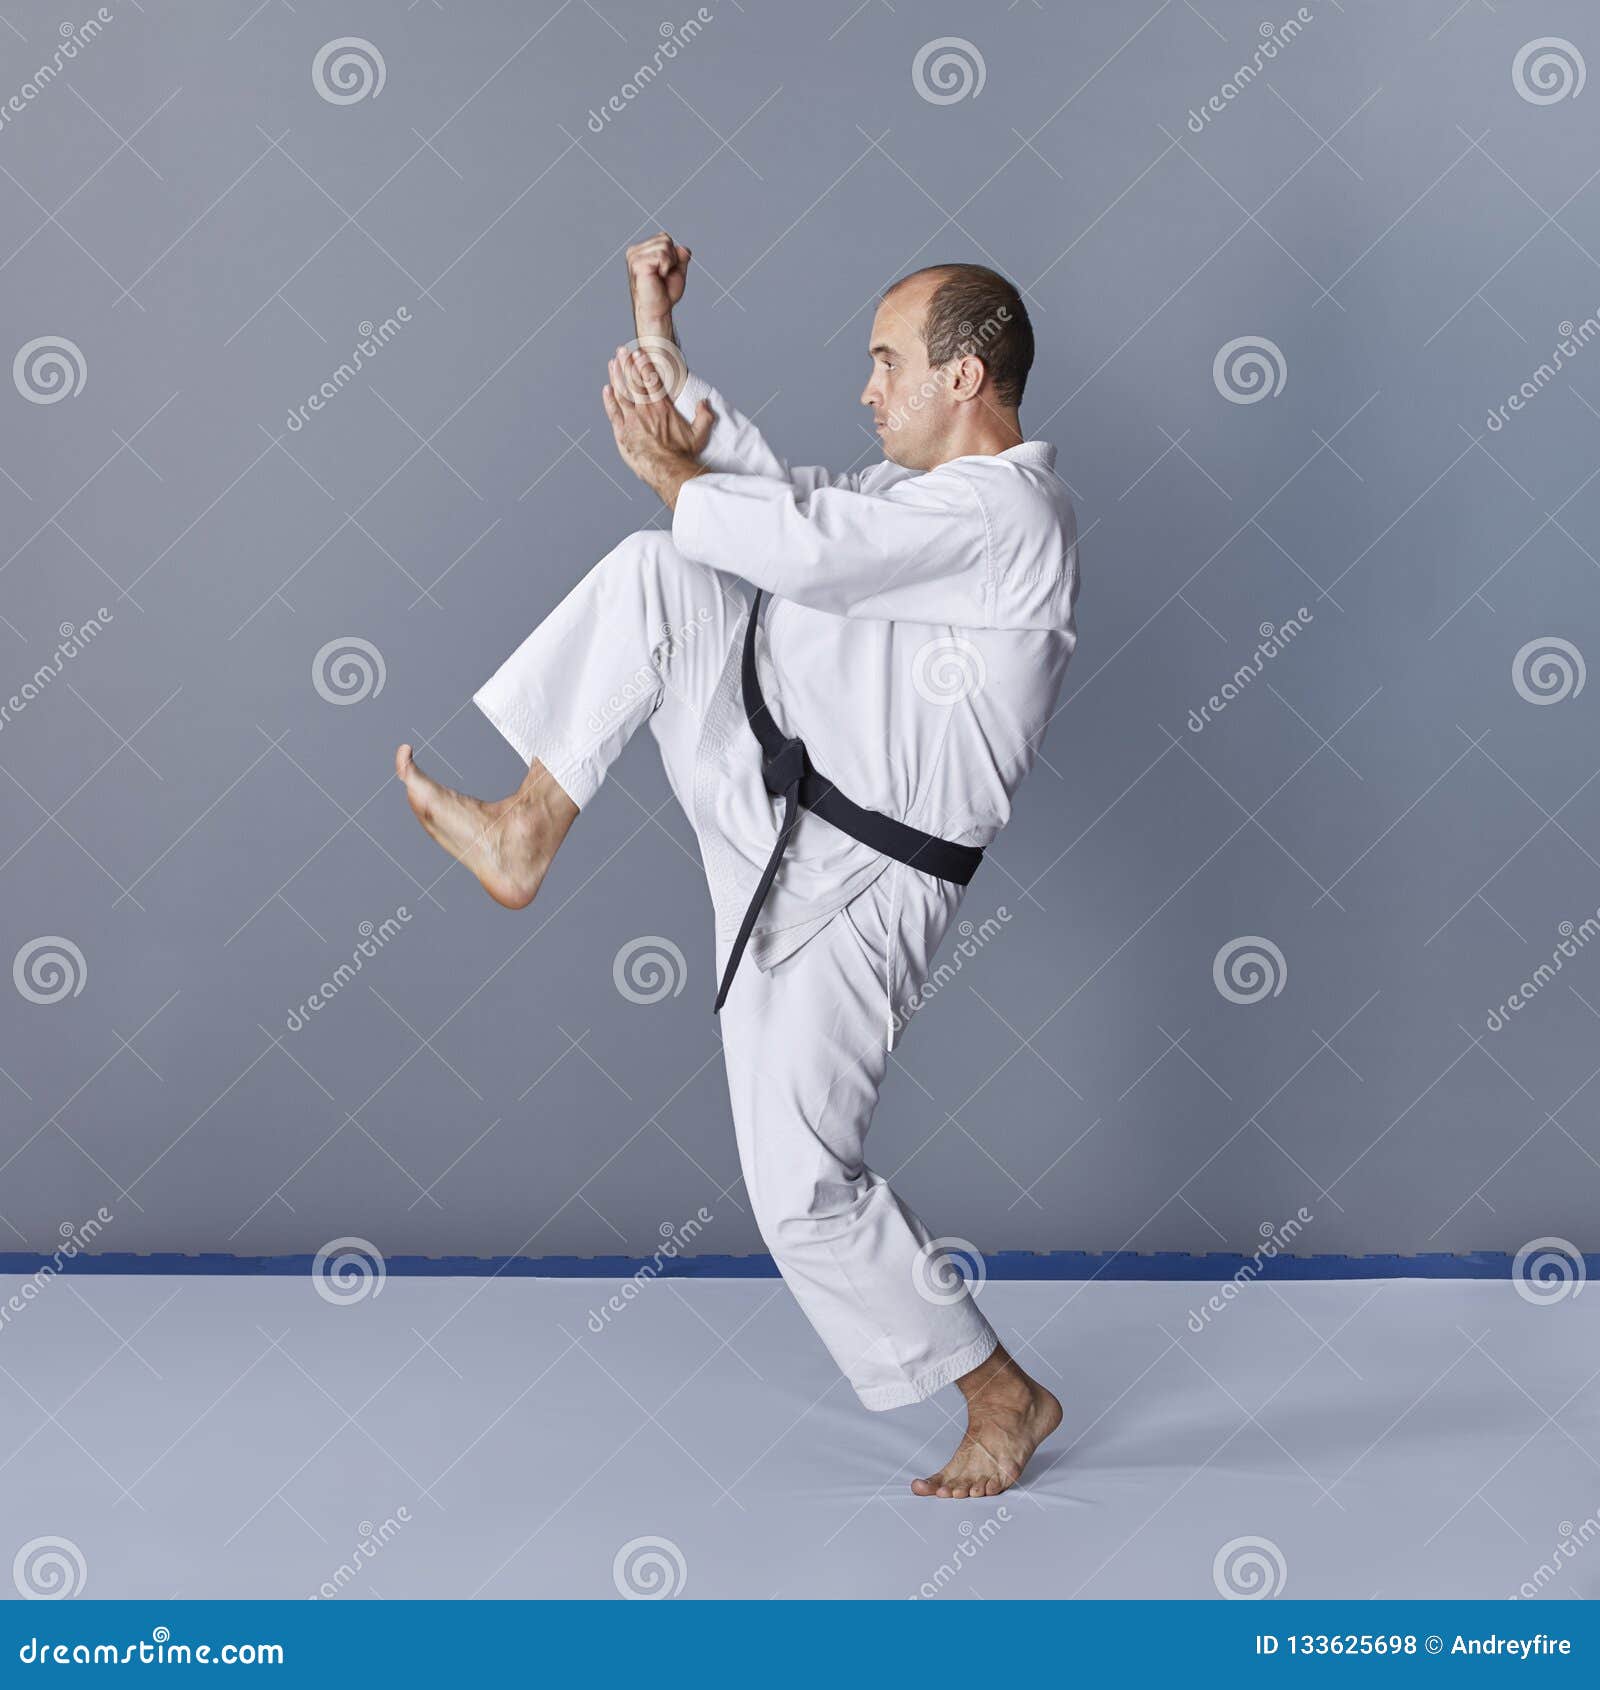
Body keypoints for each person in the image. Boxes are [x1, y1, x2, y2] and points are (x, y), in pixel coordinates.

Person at [396, 233, 1080, 1498]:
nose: (869, 391)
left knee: (801, 1190)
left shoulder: (1010, 513)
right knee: (664, 572)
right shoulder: (908, 498)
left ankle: (1004, 1396)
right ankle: (531, 819)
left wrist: (674, 469)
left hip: (865, 879)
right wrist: (657, 331)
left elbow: (811, 546)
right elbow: (771, 496)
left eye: (886, 365)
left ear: (966, 376)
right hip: (773, 794)